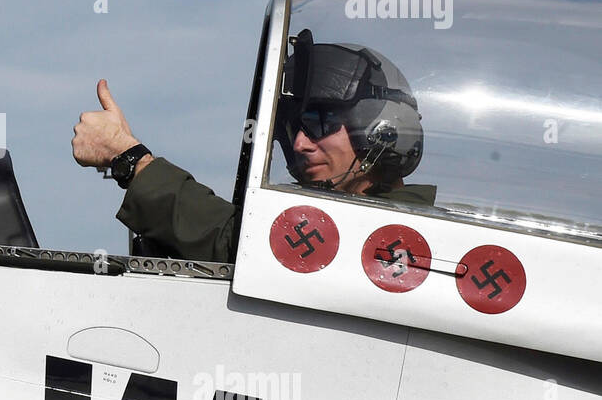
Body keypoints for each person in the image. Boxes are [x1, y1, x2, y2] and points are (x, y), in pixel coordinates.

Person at [71, 32, 435, 262]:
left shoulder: (398, 240)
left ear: (382, 129)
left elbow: (244, 246)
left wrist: (129, 158)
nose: (299, 144)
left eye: (318, 123)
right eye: (291, 128)